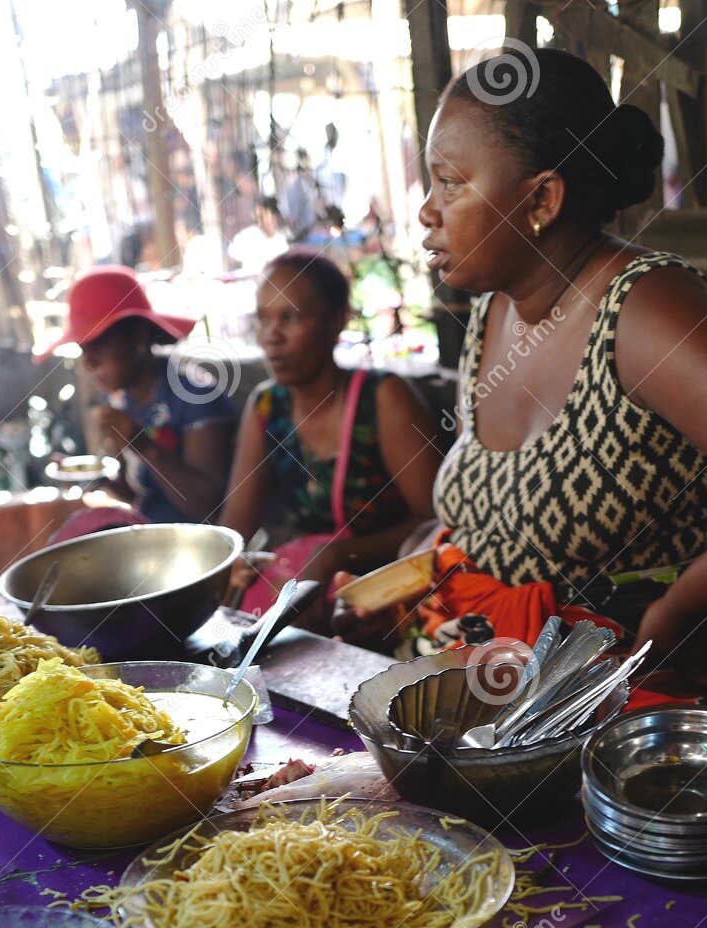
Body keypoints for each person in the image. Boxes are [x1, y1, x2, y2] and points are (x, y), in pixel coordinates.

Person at [342, 49, 707, 708]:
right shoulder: (494, 308)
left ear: (542, 200)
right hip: (492, 713)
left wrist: (685, 608)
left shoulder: (640, 311)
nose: (425, 212)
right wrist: (405, 580)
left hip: (626, 732)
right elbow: (495, 521)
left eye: (448, 182)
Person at [221, 250, 440, 617]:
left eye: (290, 318)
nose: (271, 337)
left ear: (336, 321)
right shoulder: (266, 407)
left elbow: (436, 523)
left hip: (386, 595)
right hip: (305, 584)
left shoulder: (383, 398)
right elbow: (236, 528)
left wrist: (342, 554)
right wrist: (234, 566)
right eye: (263, 319)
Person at [39, 266, 233, 524]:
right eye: (84, 349)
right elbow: (141, 497)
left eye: (99, 344)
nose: (89, 362)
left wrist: (141, 443)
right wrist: (99, 478)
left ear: (137, 336)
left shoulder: (195, 394)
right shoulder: (125, 400)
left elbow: (209, 507)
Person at [229, 197, 288, 274]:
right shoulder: (248, 235)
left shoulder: (282, 241)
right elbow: (232, 253)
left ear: (274, 217)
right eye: (258, 217)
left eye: (263, 216)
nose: (260, 221)